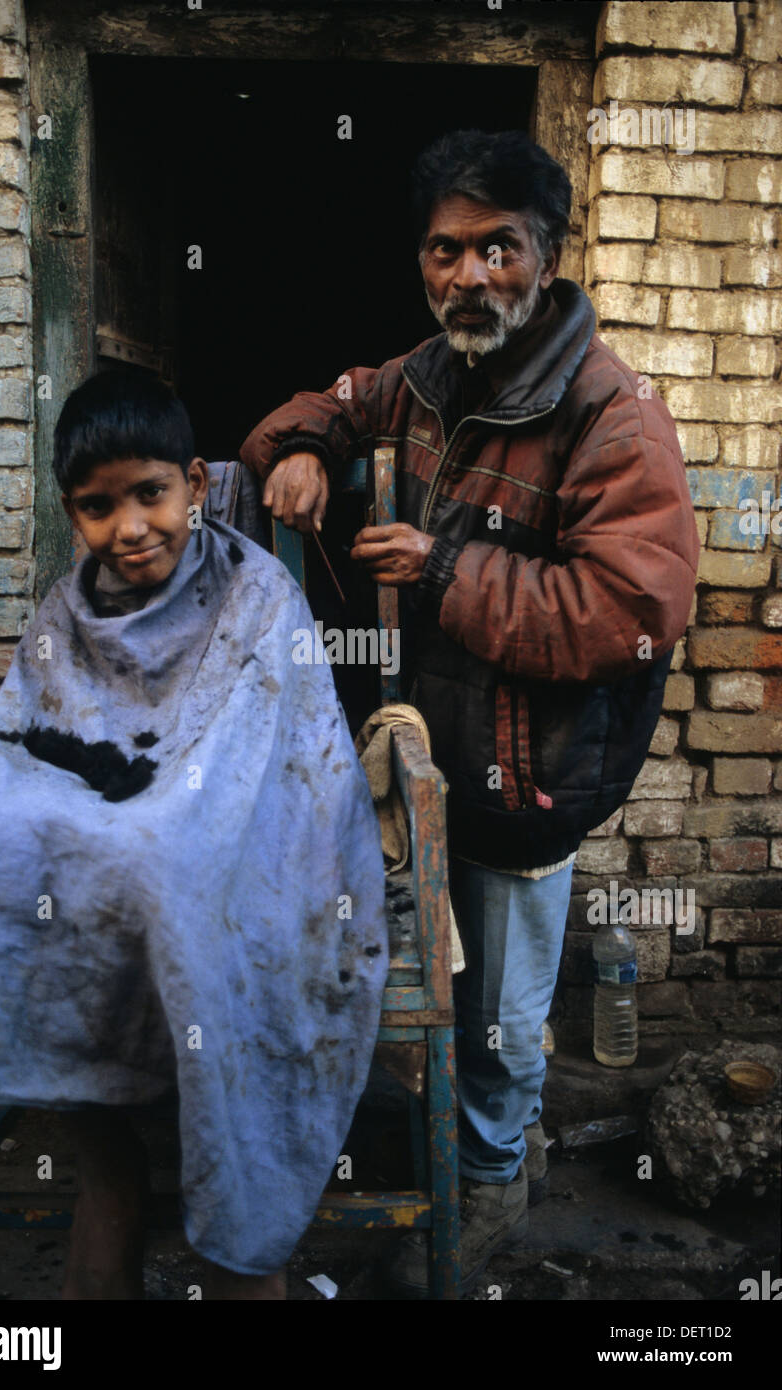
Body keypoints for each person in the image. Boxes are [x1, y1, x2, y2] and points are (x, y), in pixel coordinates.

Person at [240, 129, 700, 1297]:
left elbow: (623, 615)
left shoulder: (611, 415)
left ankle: (493, 1186)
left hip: (526, 779)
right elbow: (330, 402)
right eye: (446, 250)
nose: (469, 275)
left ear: (546, 254)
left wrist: (442, 571)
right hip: (419, 773)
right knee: (423, 989)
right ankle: (465, 1152)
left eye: (498, 246)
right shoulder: (425, 377)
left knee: (498, 1013)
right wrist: (298, 444)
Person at [0, 369, 388, 1300]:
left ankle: (240, 1224)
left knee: (170, 864)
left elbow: (277, 763)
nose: (129, 527)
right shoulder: (64, 614)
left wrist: (163, 825)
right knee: (1, 862)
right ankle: (106, 1155)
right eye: (98, 507)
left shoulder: (258, 598)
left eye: (151, 494)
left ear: (198, 487)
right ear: (69, 511)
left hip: (243, 845)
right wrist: (84, 824)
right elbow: (23, 746)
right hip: (105, 856)